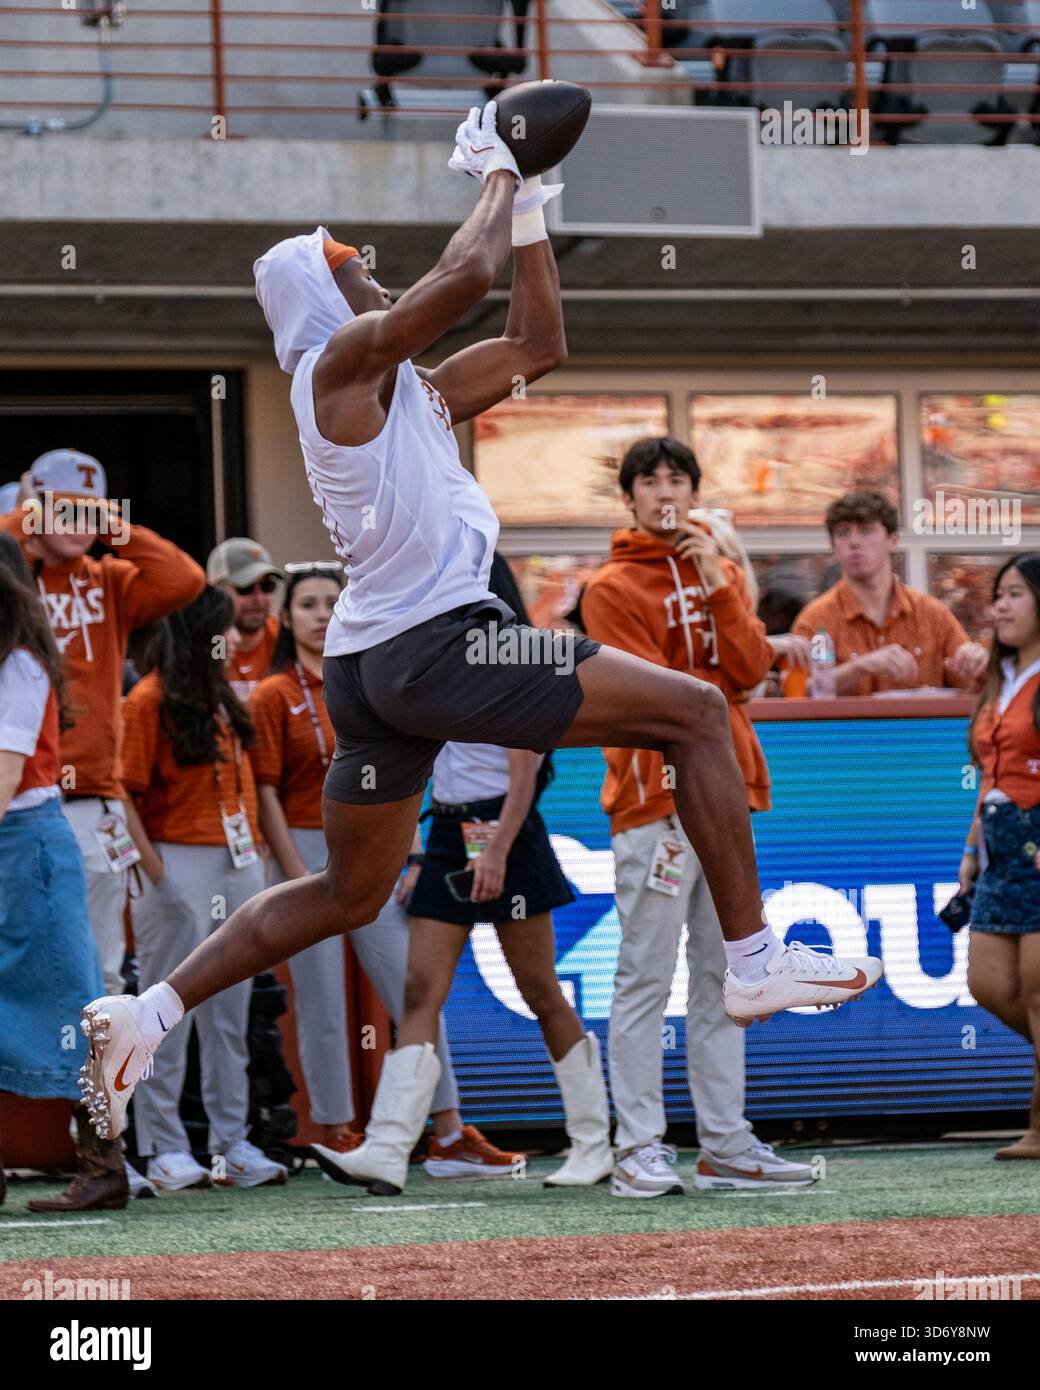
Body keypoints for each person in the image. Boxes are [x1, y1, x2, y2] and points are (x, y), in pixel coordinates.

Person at [78, 102, 881, 1184]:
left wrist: (532, 202)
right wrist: (496, 166)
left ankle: (149, 1010)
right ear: (320, 295)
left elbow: (539, 344)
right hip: (440, 644)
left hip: (375, 665)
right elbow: (461, 277)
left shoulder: (401, 385)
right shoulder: (334, 363)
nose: (372, 272)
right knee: (696, 712)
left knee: (348, 893)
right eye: (353, 264)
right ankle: (749, 959)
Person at [312, 553, 610, 1192]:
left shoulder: (514, 651)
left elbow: (527, 768)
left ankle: (593, 1143)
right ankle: (389, 1147)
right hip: (448, 832)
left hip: (509, 830)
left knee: (540, 989)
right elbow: (417, 767)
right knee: (420, 989)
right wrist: (420, 850)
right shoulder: (425, 651)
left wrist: (498, 848)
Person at [581, 438, 816, 1196]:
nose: (665, 492)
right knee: (645, 978)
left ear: (693, 491)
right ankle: (637, 1147)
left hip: (725, 792)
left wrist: (717, 579)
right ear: (629, 499)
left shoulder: (724, 569)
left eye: (677, 478)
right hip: (653, 798)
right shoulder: (612, 585)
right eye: (650, 481)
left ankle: (726, 1146)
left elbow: (749, 668)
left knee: (731, 976)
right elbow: (648, 695)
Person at [252, 563, 520, 1176]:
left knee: (413, 990)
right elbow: (264, 791)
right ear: (286, 619)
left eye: (331, 601)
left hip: (376, 842)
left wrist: (414, 853)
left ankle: (448, 1132)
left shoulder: (369, 676)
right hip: (301, 847)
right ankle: (339, 1131)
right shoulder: (273, 694)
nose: (321, 614)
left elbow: (408, 774)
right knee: (321, 1003)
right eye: (307, 604)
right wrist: (293, 873)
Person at [1, 449, 205, 996]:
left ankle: (98, 1060)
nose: (78, 522)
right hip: (18, 799)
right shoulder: (13, 579)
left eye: (89, 511)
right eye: (63, 509)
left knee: (104, 970)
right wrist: (29, 516)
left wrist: (113, 524)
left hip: (95, 803)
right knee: (25, 969)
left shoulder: (111, 578)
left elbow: (185, 580)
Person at [120, 586, 288, 1191]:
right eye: (225, 628)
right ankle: (164, 1146)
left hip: (236, 863)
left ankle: (231, 1143)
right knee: (165, 1012)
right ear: (200, 634)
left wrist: (258, 858)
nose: (238, 638)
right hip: (177, 861)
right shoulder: (147, 699)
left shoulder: (222, 697)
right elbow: (123, 793)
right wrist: (157, 873)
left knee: (230, 1013)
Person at [0, 534, 127, 1212]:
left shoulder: (20, 666)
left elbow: (4, 778)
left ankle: (105, 1164)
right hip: (21, 845)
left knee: (74, 1006)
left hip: (29, 847)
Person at [961, 554, 1040, 1161]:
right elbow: (988, 772)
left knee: (1038, 990)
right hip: (996, 841)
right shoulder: (1000, 675)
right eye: (999, 595)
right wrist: (971, 848)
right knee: (987, 982)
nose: (1001, 606)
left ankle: (1039, 1128)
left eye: (1015, 594)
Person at [792, 490, 988, 696]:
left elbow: (974, 692)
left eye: (866, 530)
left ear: (892, 541)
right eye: (843, 533)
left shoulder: (932, 615)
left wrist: (980, 666)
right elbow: (795, 694)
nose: (854, 541)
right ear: (834, 548)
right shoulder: (816, 619)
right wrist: (859, 667)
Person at [207, 538, 285, 705]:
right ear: (216, 593)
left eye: (267, 586)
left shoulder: (283, 637)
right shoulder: (212, 641)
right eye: (245, 588)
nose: (259, 598)